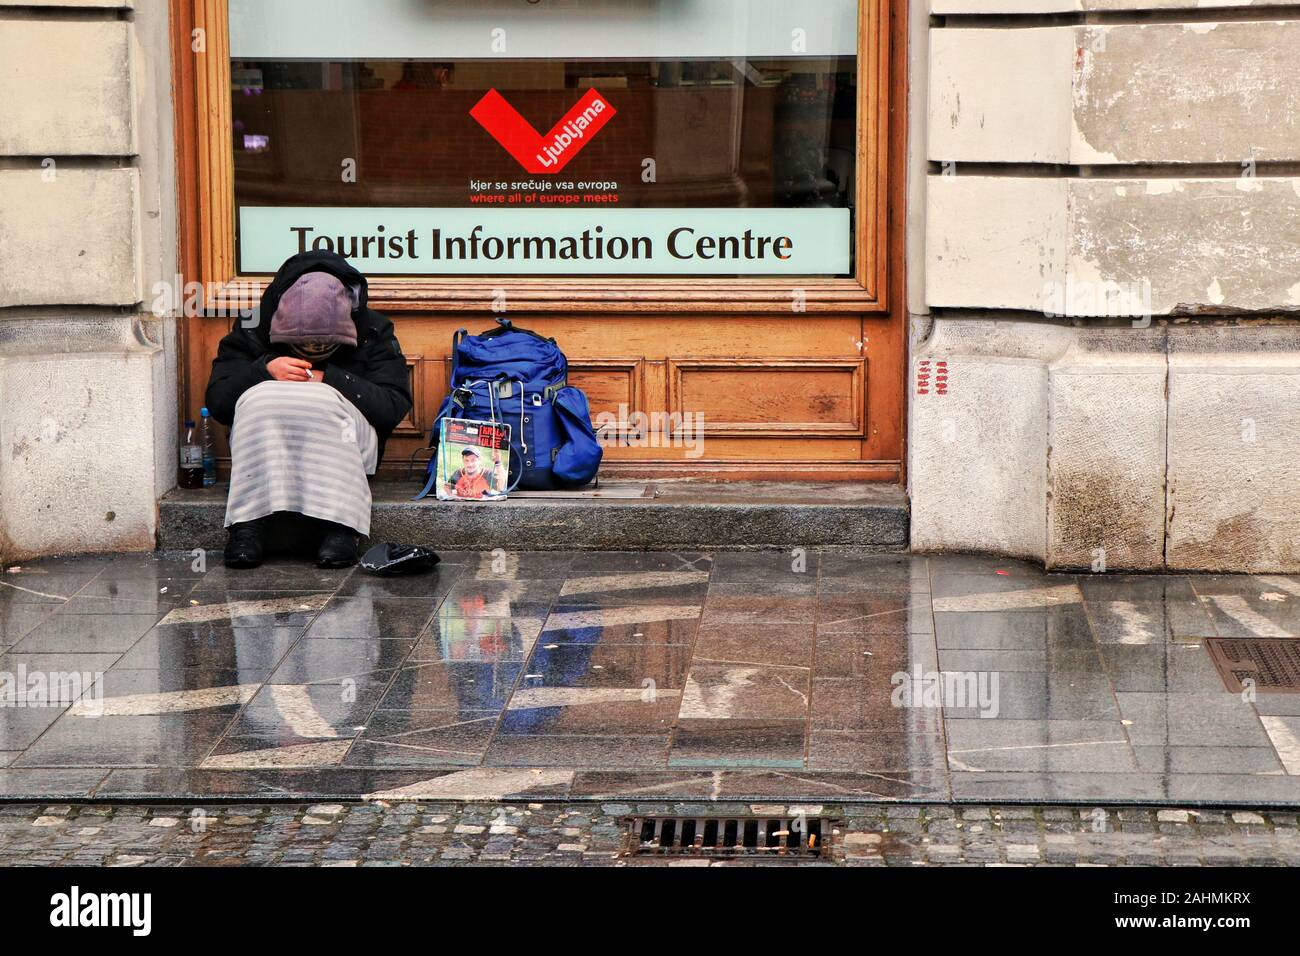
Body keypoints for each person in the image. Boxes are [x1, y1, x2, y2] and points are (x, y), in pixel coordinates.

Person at [205, 251, 412, 569]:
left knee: (323, 400)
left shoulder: (373, 329)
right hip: (268, 435)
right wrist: (264, 369)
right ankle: (247, 524)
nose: (313, 353)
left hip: (347, 436)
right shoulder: (252, 326)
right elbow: (219, 403)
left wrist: (329, 377)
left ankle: (341, 527)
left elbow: (392, 408)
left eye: (324, 347)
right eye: (303, 346)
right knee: (257, 397)